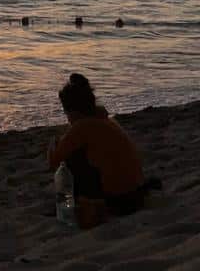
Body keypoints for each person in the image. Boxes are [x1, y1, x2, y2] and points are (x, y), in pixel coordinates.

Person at [47, 74, 146, 221]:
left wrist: (53, 143)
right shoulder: (108, 121)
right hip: (136, 192)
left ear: (72, 111)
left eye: (66, 112)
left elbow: (53, 162)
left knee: (68, 162)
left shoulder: (82, 127)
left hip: (117, 198)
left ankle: (83, 202)